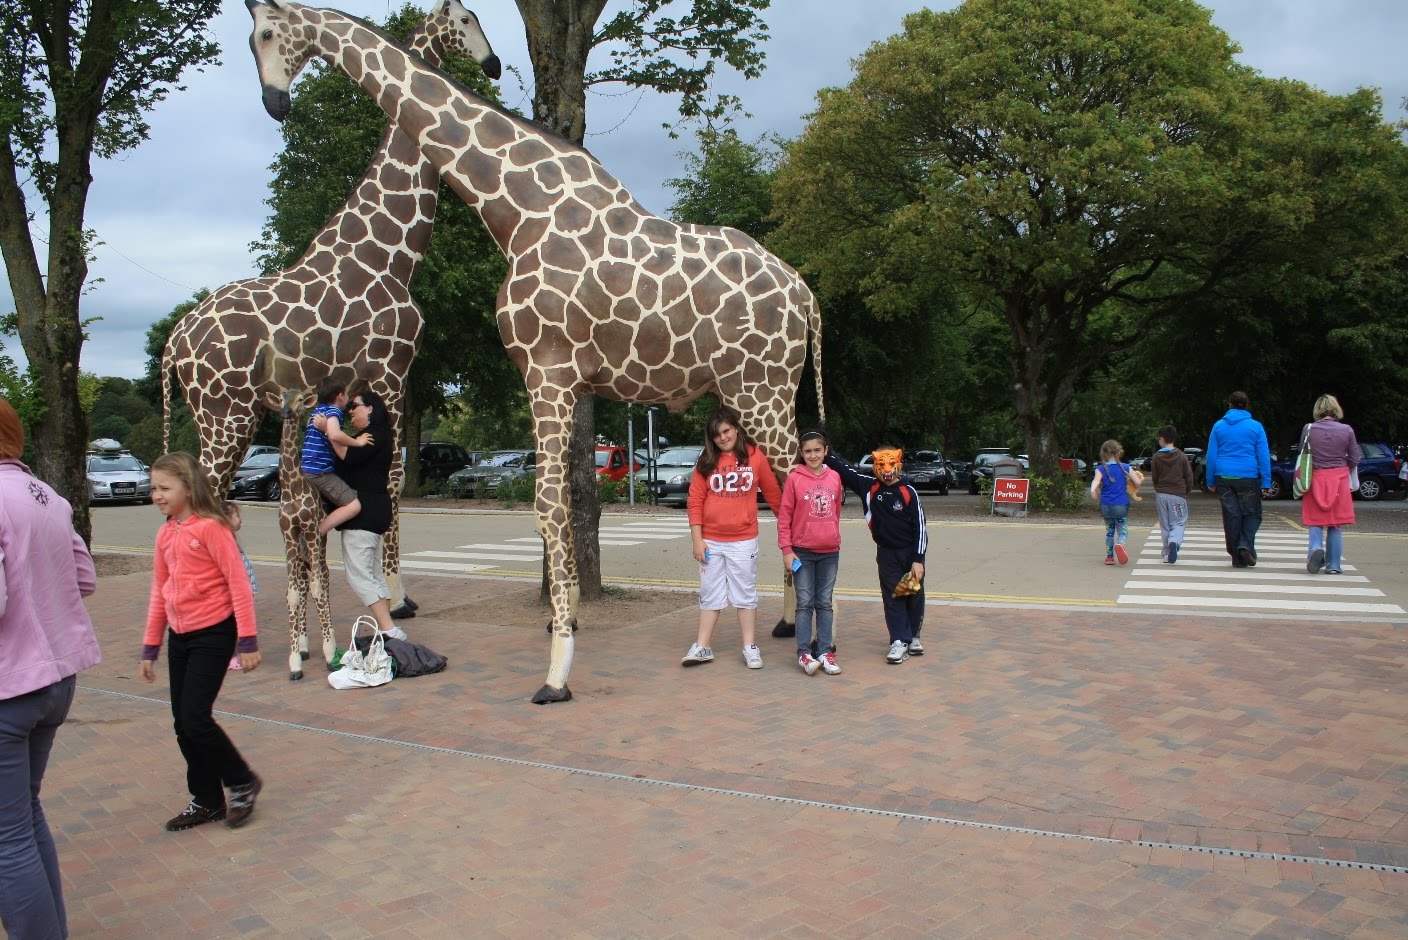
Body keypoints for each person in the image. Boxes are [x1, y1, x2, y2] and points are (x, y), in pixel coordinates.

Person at [0, 397, 101, 938]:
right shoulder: (49, 498)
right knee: (23, 819)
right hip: (55, 680)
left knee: (6, 836)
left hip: (9, 686)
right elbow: (83, 579)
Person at [142, 452, 263, 831]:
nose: (157, 495)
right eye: (153, 488)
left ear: (188, 487)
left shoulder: (212, 528)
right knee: (183, 722)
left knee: (196, 717)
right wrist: (151, 647)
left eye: (165, 487)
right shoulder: (166, 533)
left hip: (214, 632)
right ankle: (208, 800)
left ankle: (242, 780)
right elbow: (159, 591)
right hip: (180, 635)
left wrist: (247, 640)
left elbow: (238, 584)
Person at [682, 407, 782, 670]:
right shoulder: (706, 461)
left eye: (726, 431)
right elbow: (695, 500)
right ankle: (702, 647)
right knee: (710, 594)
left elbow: (772, 492)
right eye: (717, 435)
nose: (723, 438)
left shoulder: (755, 456)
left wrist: (790, 524)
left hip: (743, 540)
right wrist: (697, 539)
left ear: (736, 429)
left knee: (745, 594)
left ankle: (749, 647)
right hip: (711, 542)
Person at [315, 388, 407, 639]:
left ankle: (390, 629)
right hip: (375, 511)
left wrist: (327, 430)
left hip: (364, 514)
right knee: (374, 574)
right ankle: (386, 630)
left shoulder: (373, 435)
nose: (351, 411)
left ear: (370, 408)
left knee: (360, 576)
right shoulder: (375, 435)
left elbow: (348, 456)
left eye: (355, 405)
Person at [826, 447, 927, 664]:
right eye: (882, 465)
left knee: (912, 594)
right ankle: (899, 640)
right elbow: (845, 470)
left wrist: (918, 559)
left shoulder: (909, 491)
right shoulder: (869, 486)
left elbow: (921, 527)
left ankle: (913, 636)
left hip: (910, 553)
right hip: (887, 553)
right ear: (875, 466)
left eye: (892, 465)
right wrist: (826, 453)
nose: (887, 470)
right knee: (894, 595)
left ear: (900, 464)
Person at [778, 430, 844, 676]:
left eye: (817, 450)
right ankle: (804, 653)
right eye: (808, 451)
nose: (813, 455)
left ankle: (825, 651)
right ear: (801, 453)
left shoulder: (835, 477)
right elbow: (784, 517)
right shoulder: (795, 479)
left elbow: (835, 511)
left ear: (825, 450)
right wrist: (787, 549)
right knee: (804, 604)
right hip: (802, 553)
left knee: (824, 603)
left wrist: (833, 536)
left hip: (829, 552)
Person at [1205, 390, 1272, 568]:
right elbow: (1263, 456)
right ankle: (1245, 544)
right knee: (1252, 513)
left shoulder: (1218, 426)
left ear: (1229, 405)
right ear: (1247, 405)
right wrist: (1266, 482)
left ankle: (1237, 557)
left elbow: (1211, 455)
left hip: (1223, 475)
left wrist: (1210, 480)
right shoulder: (1256, 427)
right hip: (1248, 476)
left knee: (1231, 515)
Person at [302, 376, 371, 535]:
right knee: (354, 506)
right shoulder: (333, 412)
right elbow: (335, 435)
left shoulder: (317, 411)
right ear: (340, 395)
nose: (348, 398)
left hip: (306, 469)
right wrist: (358, 442)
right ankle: (316, 533)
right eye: (347, 394)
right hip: (320, 472)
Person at [1301, 394, 1359, 575]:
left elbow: (1303, 455)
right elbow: (1355, 458)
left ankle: (1315, 548)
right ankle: (1334, 564)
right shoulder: (1347, 430)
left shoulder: (1309, 429)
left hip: (1315, 478)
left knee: (1315, 520)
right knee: (1335, 524)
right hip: (1340, 479)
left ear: (1317, 410)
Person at [1089, 440, 1142, 566]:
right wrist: (1137, 479)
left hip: (1106, 504)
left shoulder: (1101, 469)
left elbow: (1096, 481)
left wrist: (1092, 490)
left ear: (1104, 453)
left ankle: (1109, 557)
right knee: (1122, 530)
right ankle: (1121, 544)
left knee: (1109, 531)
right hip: (1121, 504)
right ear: (1119, 452)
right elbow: (1138, 482)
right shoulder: (1126, 467)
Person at [1149, 426, 1194, 564]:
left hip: (1162, 494)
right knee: (1178, 522)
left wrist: (1158, 488)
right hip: (1178, 495)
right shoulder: (1181, 456)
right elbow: (1188, 476)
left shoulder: (1156, 457)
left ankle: (1166, 553)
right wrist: (1186, 490)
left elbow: (1155, 477)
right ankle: (1174, 541)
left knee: (1165, 524)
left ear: (1161, 439)